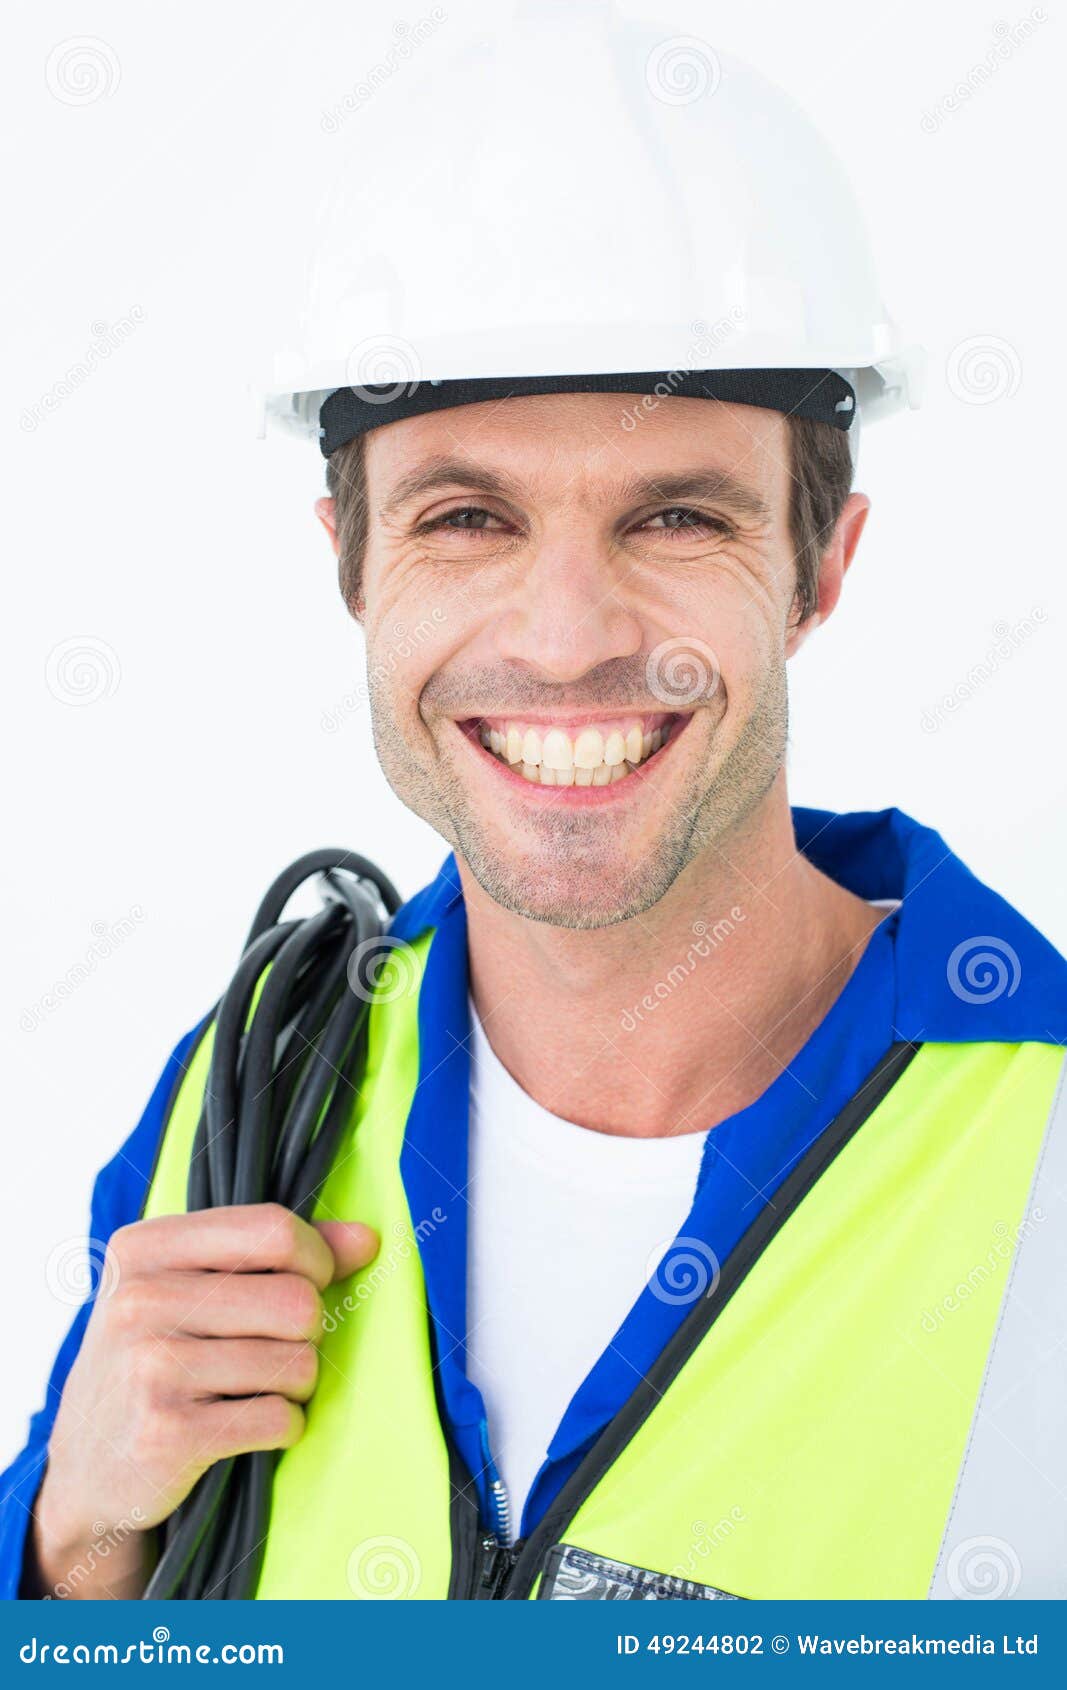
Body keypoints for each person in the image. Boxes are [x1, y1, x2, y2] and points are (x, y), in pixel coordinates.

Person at [4, 4, 1065, 1602]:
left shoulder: (1037, 1147)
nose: (566, 637)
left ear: (821, 568)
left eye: (679, 515)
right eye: (468, 519)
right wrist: (73, 1546)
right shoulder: (251, 1093)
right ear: (351, 562)